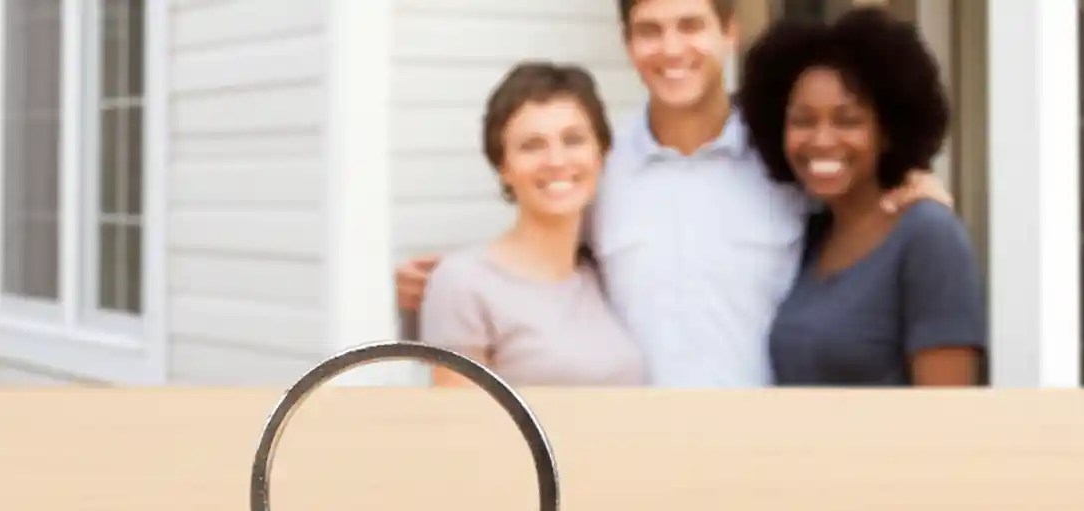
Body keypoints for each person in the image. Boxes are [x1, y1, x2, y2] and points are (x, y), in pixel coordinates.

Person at [397, 0, 951, 388]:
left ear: (728, 31)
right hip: (640, 452)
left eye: (690, 24)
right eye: (650, 29)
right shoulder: (600, 174)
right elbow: (548, 273)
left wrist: (916, 187)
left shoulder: (785, 163)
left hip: (766, 448)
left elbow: (858, 226)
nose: (671, 48)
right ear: (628, 43)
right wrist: (452, 282)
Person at [738, 7, 985, 386]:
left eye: (847, 120)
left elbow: (950, 417)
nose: (822, 140)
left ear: (887, 131)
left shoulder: (929, 236)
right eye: (803, 120)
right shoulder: (812, 235)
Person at [418, 62, 646, 387]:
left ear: (602, 153)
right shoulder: (464, 283)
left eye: (573, 139)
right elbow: (459, 429)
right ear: (503, 167)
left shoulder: (600, 275)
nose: (556, 161)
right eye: (532, 145)